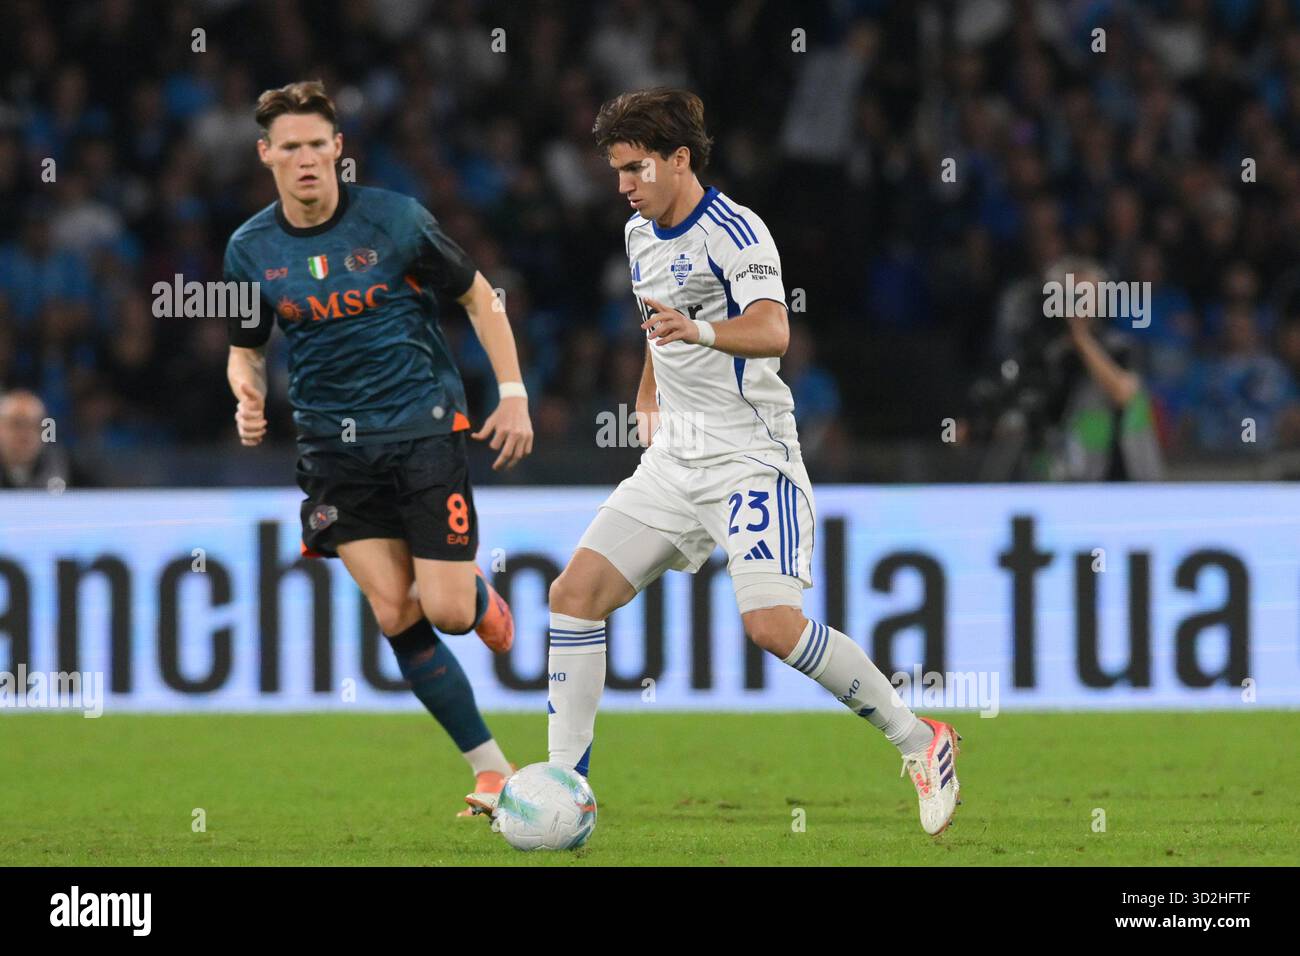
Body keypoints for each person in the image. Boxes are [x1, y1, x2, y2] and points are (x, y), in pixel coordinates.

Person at [478, 89, 961, 835]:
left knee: (772, 626)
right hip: (676, 462)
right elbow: (653, 323)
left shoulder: (738, 232)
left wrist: (699, 331)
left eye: (636, 168)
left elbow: (773, 332)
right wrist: (647, 395)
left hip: (749, 459)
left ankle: (920, 739)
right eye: (615, 171)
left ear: (680, 160)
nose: (623, 186)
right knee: (574, 595)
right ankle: (564, 788)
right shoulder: (640, 233)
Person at [224, 81, 533, 817]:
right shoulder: (249, 250)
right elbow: (244, 348)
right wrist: (246, 390)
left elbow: (479, 296)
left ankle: (479, 596)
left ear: (338, 149)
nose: (304, 159)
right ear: (266, 155)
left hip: (422, 429)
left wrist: (513, 392)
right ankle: (491, 770)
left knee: (450, 613)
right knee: (395, 612)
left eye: (315, 144)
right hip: (333, 451)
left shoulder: (396, 221)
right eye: (288, 147)